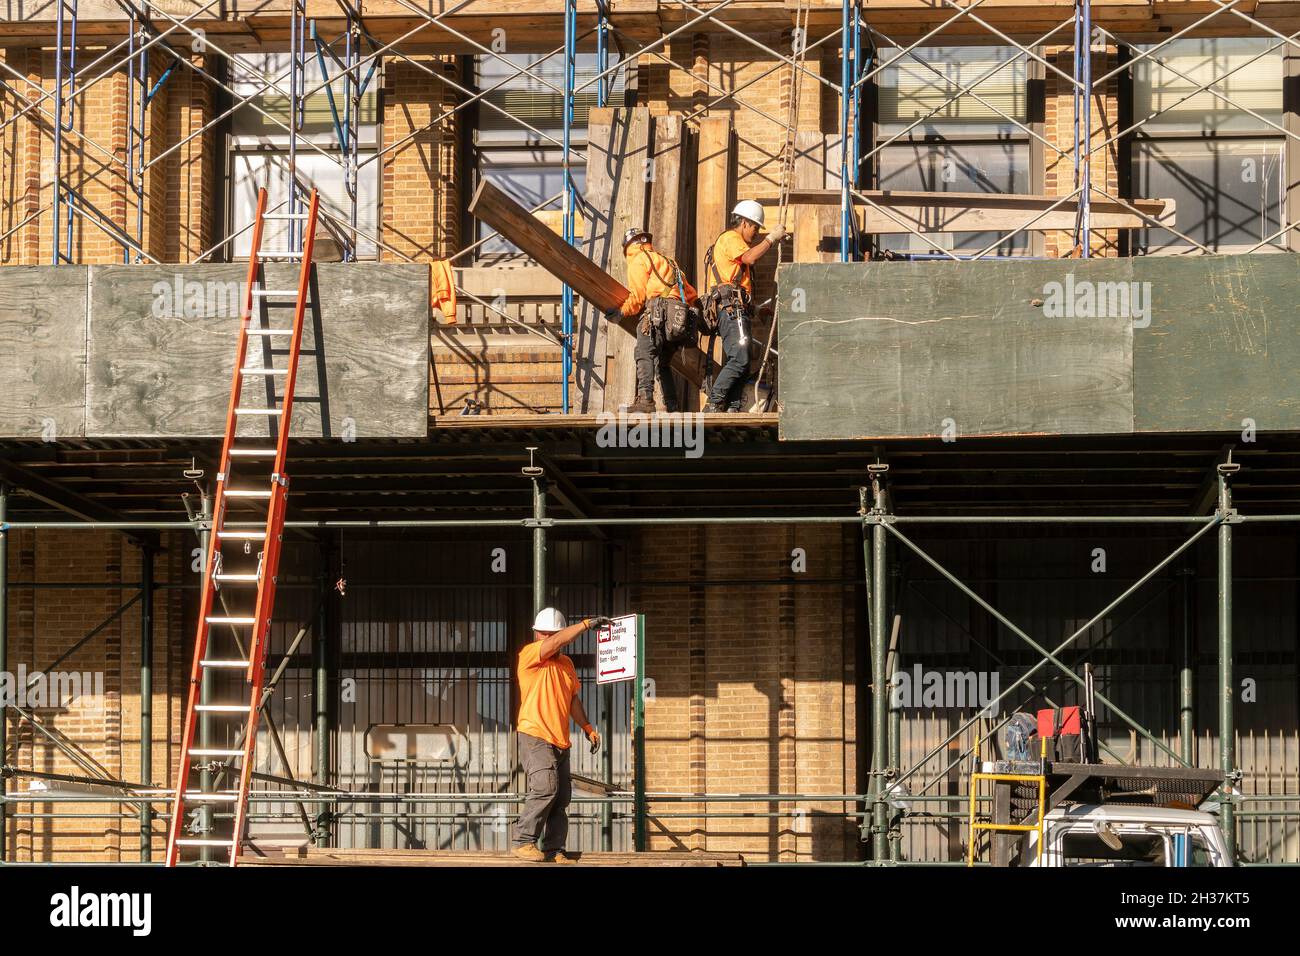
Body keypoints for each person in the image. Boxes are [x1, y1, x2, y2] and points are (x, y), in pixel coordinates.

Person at [511, 607, 611, 863]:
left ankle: (554, 849)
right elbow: (556, 641)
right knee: (545, 787)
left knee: (560, 797)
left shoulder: (566, 664)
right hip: (535, 734)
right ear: (538, 635)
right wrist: (586, 624)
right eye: (544, 635)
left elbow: (572, 700)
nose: (547, 639)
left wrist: (588, 728)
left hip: (560, 740)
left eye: (550, 635)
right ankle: (523, 841)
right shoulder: (530, 655)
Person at [702, 199, 788, 412]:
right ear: (744, 223)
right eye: (755, 227)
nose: (756, 233)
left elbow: (736, 286)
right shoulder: (731, 238)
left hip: (735, 309)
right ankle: (714, 403)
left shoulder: (732, 244)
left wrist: (756, 310)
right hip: (731, 311)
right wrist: (771, 239)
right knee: (739, 358)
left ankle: (732, 405)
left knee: (744, 360)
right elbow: (750, 258)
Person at [618, 228, 698, 415]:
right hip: (677, 321)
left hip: (657, 315)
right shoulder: (670, 262)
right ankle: (672, 405)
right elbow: (691, 294)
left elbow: (637, 298)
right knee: (663, 363)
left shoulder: (639, 259)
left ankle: (645, 400)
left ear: (629, 246)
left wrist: (621, 312)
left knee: (643, 353)